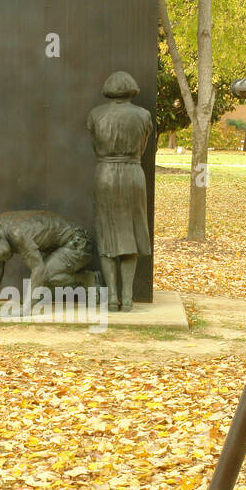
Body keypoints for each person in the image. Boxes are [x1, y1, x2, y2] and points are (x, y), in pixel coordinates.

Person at [86, 71, 153, 311]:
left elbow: (95, 146)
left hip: (105, 174)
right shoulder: (143, 116)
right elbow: (143, 148)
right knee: (131, 236)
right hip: (133, 173)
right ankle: (128, 297)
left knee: (106, 236)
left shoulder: (96, 115)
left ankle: (112, 297)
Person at [0, 210, 97, 309]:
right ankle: (39, 295)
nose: (6, 259)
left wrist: (27, 307)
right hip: (54, 248)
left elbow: (38, 269)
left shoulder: (18, 233)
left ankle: (88, 279)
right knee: (42, 277)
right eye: (1, 258)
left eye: (6, 254)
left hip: (78, 243)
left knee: (45, 276)